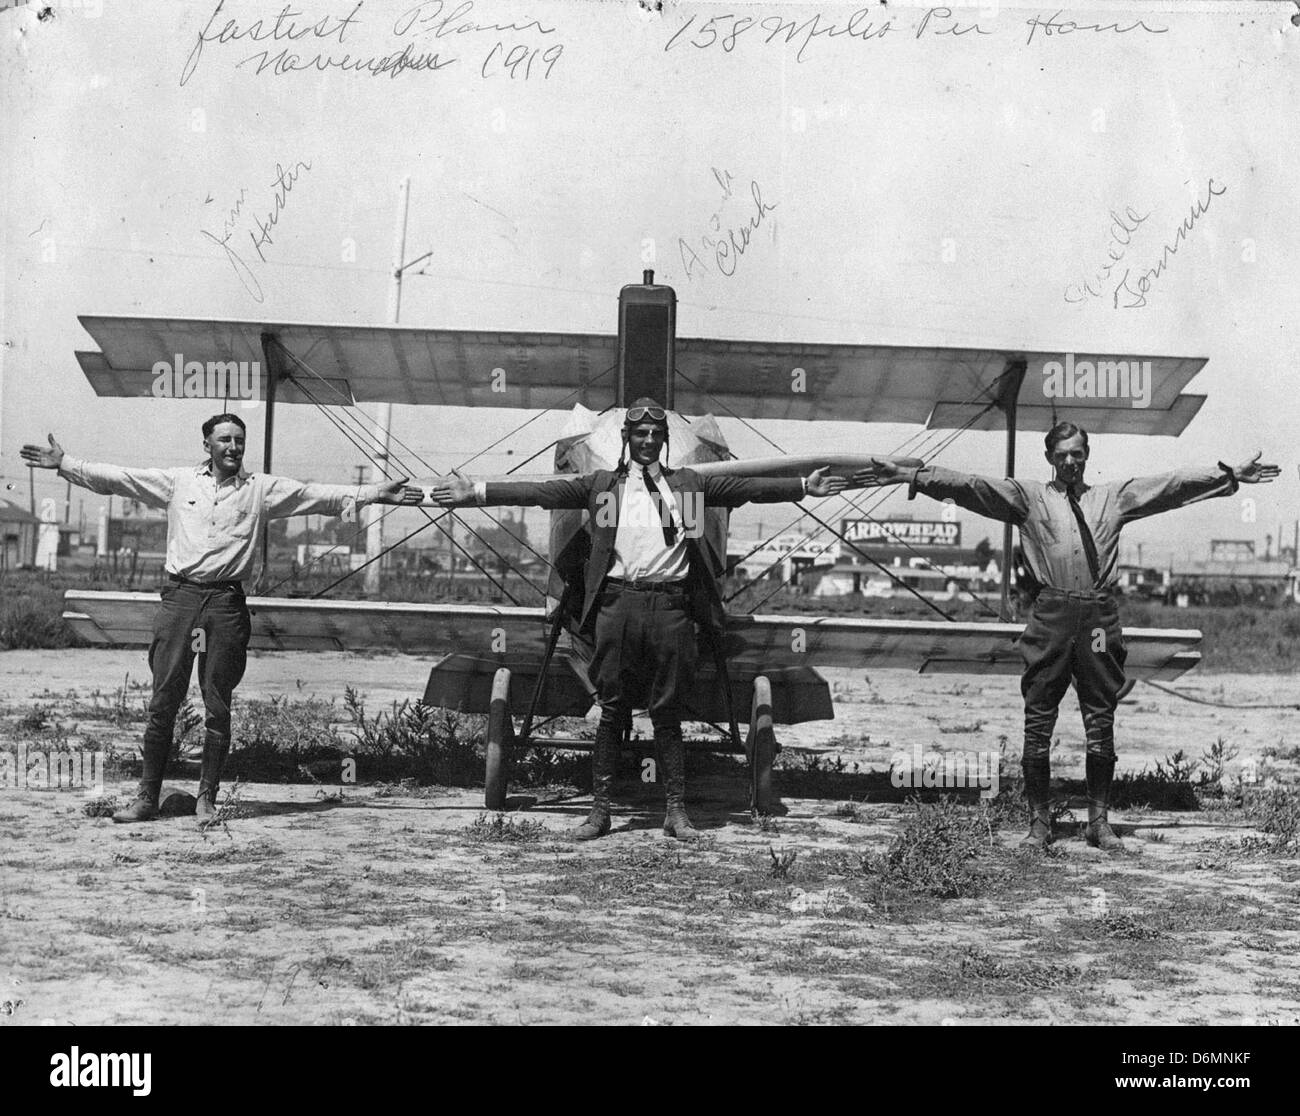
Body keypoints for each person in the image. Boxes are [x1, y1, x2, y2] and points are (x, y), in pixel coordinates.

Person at [432, 398, 847, 840]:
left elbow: (745, 488)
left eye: (655, 435)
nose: (648, 441)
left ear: (664, 442)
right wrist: (474, 493)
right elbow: (539, 493)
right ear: (627, 441)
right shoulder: (603, 486)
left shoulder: (689, 485)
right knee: (611, 712)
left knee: (667, 714)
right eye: (640, 435)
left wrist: (804, 485)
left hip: (671, 609)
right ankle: (599, 813)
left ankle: (676, 812)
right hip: (617, 606)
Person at [854, 424, 1278, 851]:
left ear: (1087, 455)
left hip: (1097, 618)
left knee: (1101, 717)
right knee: (1038, 718)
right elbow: (972, 487)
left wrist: (1228, 475)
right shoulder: (1028, 499)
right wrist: (914, 476)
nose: (1070, 462)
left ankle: (1099, 823)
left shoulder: (1112, 499)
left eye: (1077, 454)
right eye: (1062, 455)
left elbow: (1169, 487)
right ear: (1050, 458)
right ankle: (1039, 825)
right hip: (1052, 614)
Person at [21, 414, 420, 823]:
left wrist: (373, 493)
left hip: (226, 604)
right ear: (207, 445)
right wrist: (65, 463)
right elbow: (120, 478)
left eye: (240, 440)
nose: (233, 446)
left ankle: (206, 800)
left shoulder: (260, 489)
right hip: (180, 599)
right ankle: (145, 798)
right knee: (163, 703)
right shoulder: (179, 483)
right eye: (224, 439)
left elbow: (317, 495)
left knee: (218, 705)